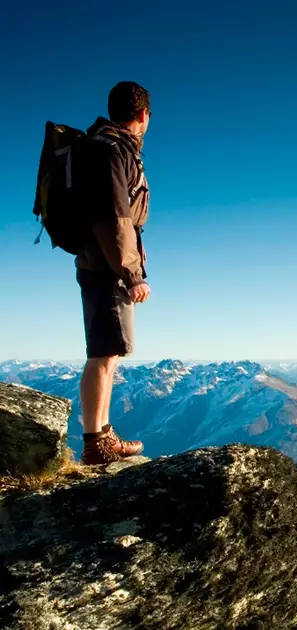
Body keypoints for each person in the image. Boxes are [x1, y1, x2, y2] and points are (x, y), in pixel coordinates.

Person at [75, 81, 152, 465]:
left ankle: (101, 433)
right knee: (105, 353)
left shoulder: (101, 147)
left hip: (99, 263)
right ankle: (96, 441)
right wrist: (132, 274)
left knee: (108, 352)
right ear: (143, 115)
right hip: (107, 267)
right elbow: (115, 219)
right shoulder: (112, 151)